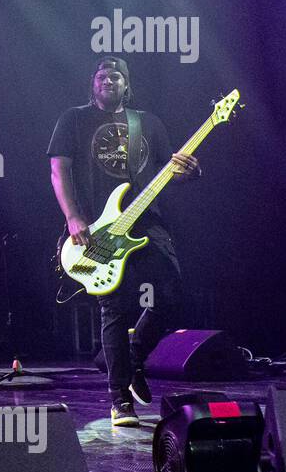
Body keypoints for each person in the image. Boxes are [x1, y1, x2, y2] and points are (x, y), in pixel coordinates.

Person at [47, 57, 200, 427]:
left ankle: (131, 356)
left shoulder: (147, 123)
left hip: (148, 222)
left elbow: (169, 171)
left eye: (115, 76)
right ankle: (120, 400)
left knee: (172, 295)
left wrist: (191, 172)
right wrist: (72, 216)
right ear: (92, 83)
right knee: (114, 307)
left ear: (126, 85)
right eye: (101, 75)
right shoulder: (73, 119)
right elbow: (58, 169)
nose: (108, 80)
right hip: (99, 226)